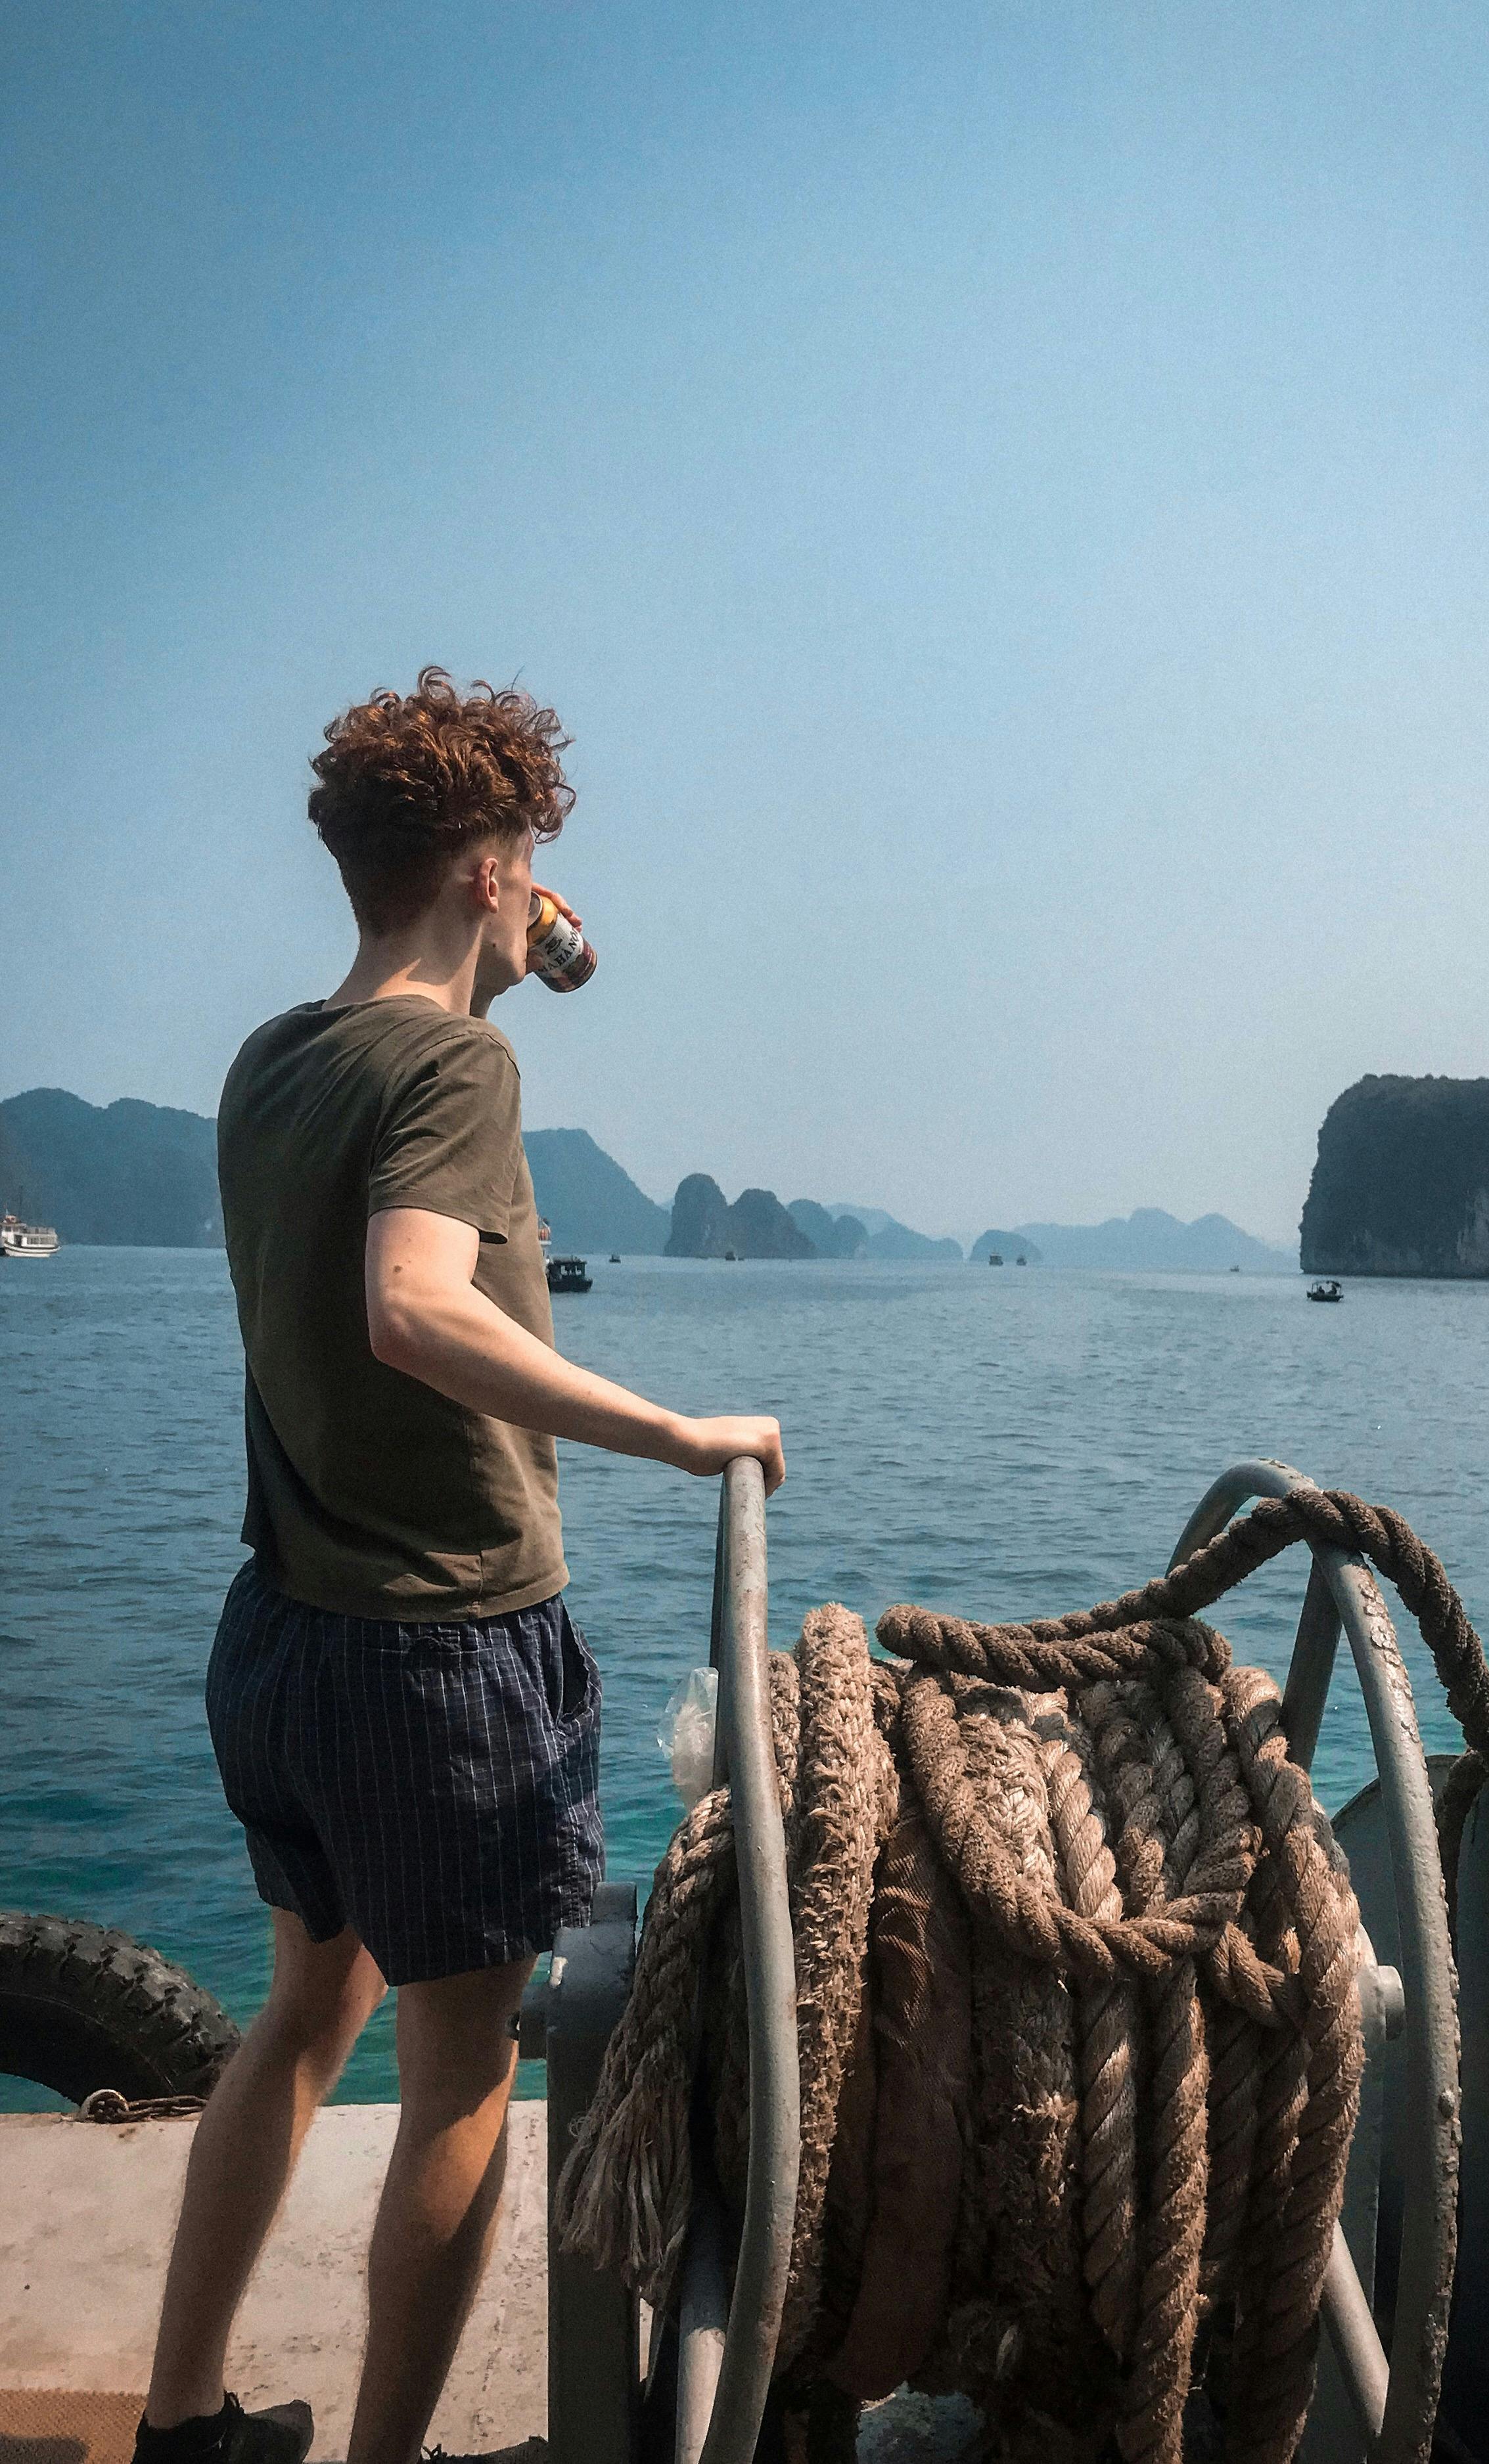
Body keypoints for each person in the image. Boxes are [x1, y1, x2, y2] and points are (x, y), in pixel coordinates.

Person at [136, 670, 783, 2464]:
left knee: (297, 2018)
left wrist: (488, 960)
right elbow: (412, 1309)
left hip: (281, 1637)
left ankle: (184, 2425)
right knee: (460, 2084)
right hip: (436, 1660)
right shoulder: (458, 1063)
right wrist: (675, 1435)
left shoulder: (273, 1059)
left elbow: (354, 1282)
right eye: (528, 866)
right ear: (495, 872)